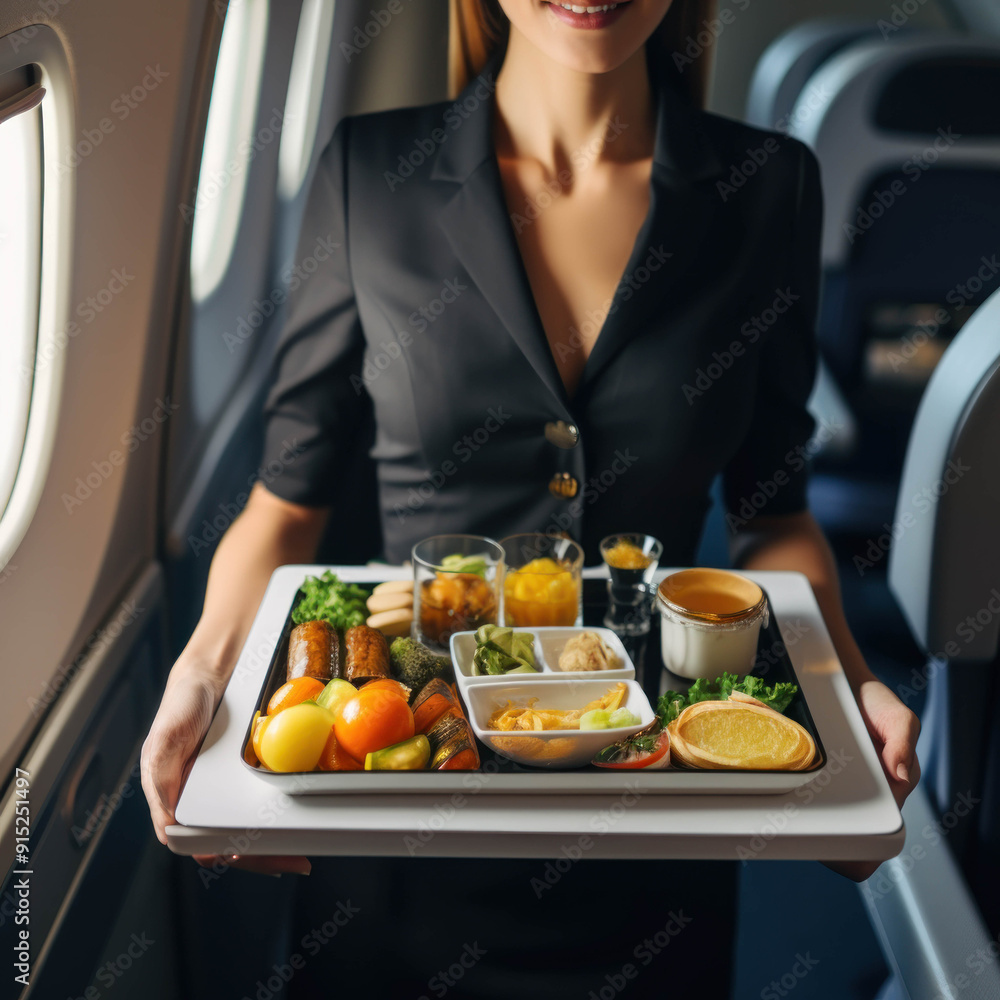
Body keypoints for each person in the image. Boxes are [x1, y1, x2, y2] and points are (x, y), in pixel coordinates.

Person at [142, 0, 920, 995]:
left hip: (652, 814)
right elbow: (285, 503)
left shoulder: (766, 187)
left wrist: (845, 695)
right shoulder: (369, 175)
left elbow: (774, 515)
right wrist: (202, 676)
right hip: (406, 789)